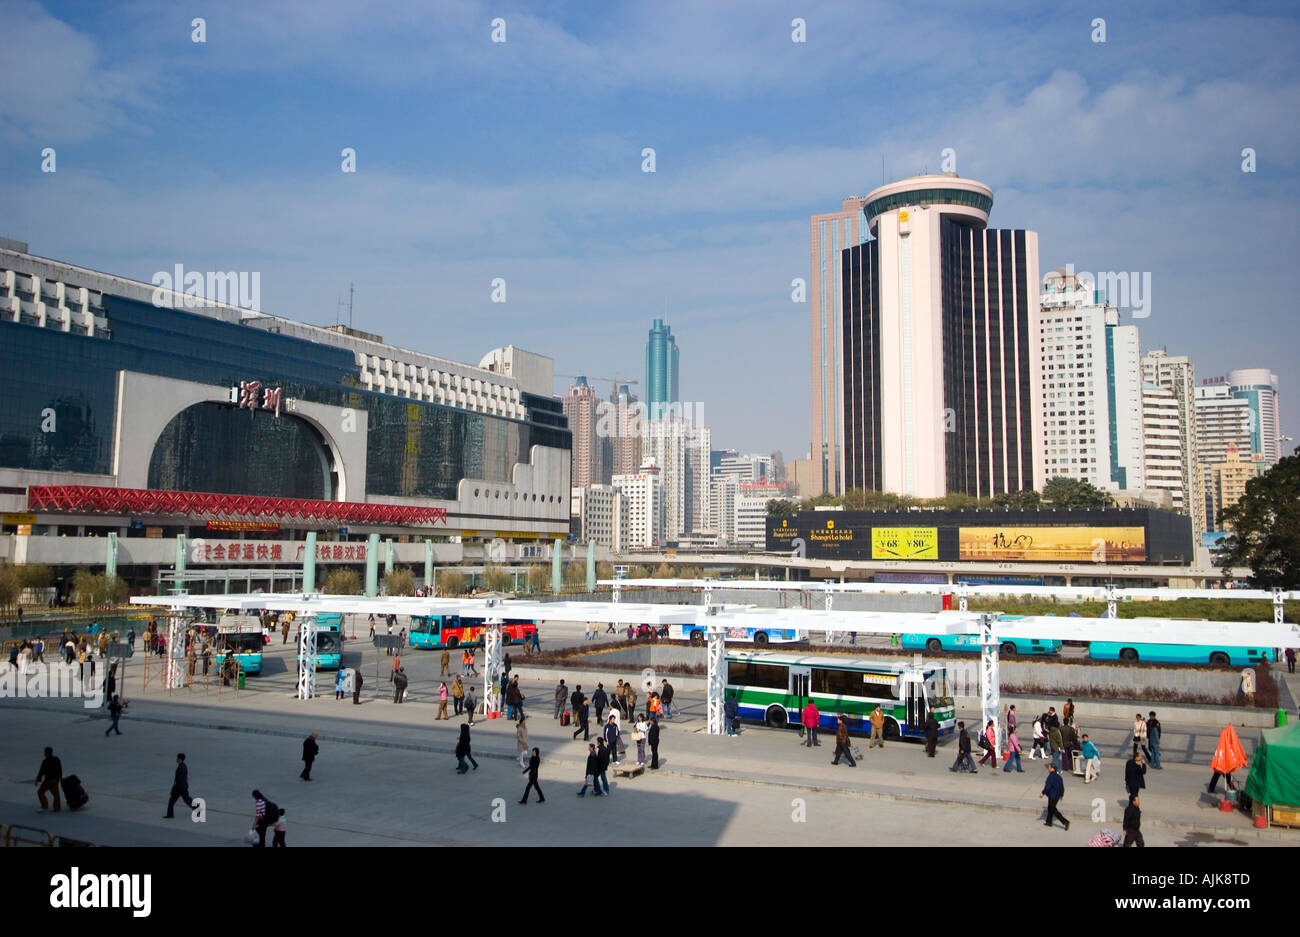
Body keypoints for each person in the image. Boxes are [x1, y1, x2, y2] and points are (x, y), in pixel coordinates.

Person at [165, 753, 196, 818]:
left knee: (172, 801)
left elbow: (179, 780)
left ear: (180, 759)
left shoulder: (181, 768)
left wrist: (175, 788)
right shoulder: (183, 766)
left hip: (180, 788)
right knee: (187, 800)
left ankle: (170, 815)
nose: (176, 759)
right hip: (183, 787)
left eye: (177, 758)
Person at [1040, 764, 1069, 829]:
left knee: (1053, 809)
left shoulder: (1050, 777)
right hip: (1057, 795)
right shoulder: (1059, 777)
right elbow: (1062, 787)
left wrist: (1043, 793)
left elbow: (1048, 786)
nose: (1048, 769)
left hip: (1052, 795)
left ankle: (1065, 821)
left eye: (1049, 768)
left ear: (1053, 769)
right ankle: (1049, 822)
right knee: (1050, 808)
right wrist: (1061, 795)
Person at [36, 746, 62, 811]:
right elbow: (60, 769)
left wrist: (38, 780)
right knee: (56, 794)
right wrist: (59, 778)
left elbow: (41, 771)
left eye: (45, 752)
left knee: (40, 792)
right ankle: (57, 808)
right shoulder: (57, 759)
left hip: (48, 780)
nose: (44, 753)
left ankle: (44, 806)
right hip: (56, 780)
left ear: (47, 753)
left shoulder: (45, 761)